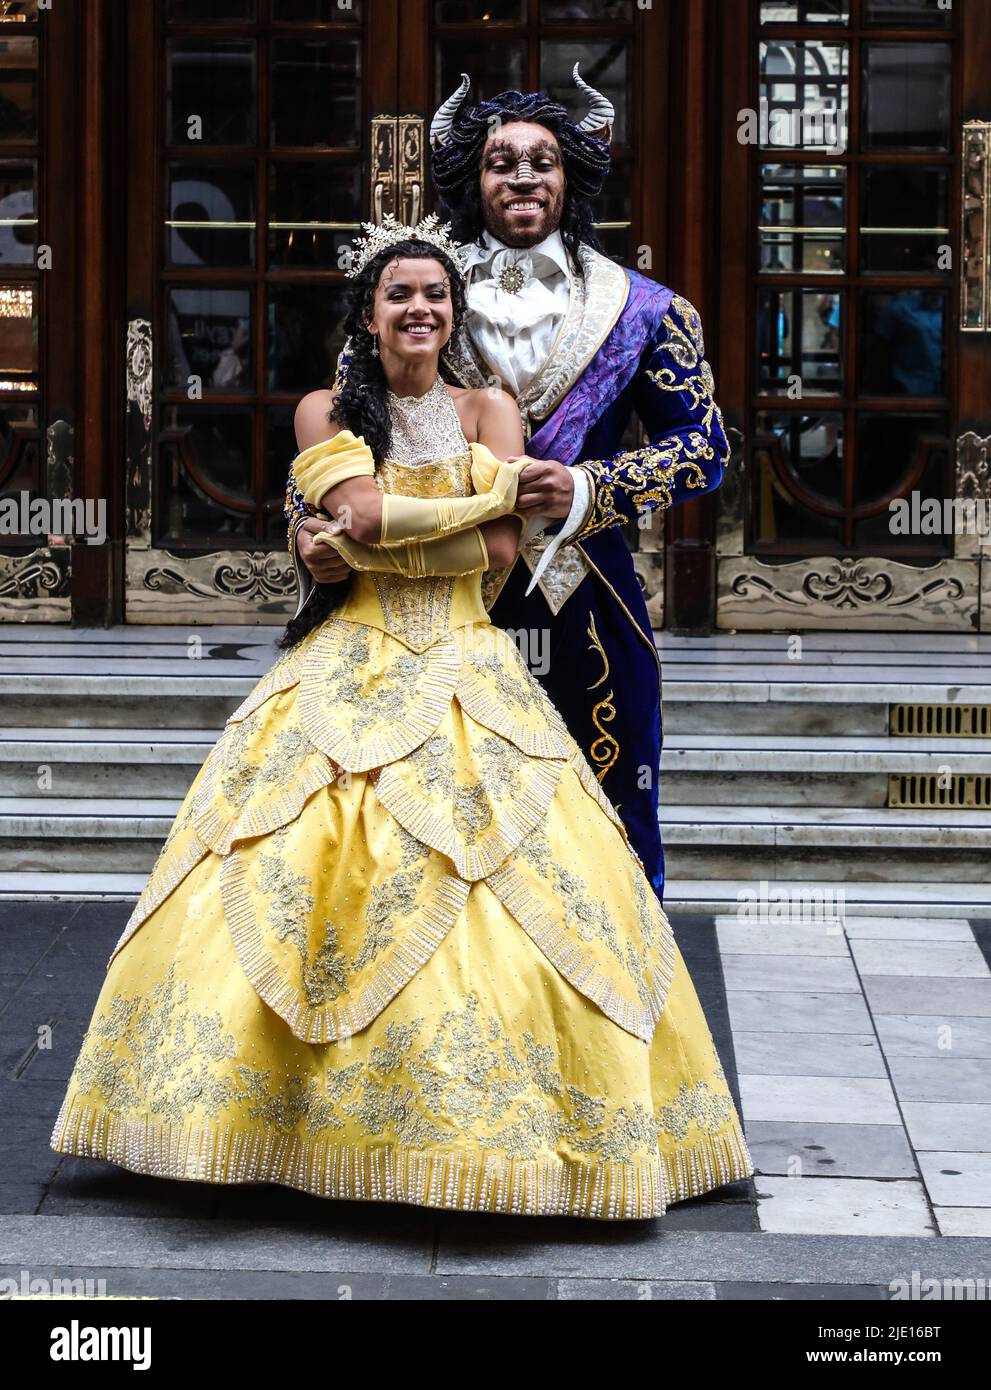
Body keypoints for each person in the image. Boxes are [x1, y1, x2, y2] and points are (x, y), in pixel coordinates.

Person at [51, 218, 753, 1220]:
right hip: (347, 664)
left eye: (434, 295)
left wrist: (365, 532)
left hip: (473, 667)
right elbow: (391, 520)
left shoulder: (491, 408)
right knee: (292, 875)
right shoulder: (323, 410)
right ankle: (261, 1129)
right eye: (398, 296)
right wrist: (371, 528)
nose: (418, 308)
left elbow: (501, 557)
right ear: (369, 316)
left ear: (452, 315)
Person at [285, 70, 731, 904]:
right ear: (472, 178)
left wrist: (590, 486)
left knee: (597, 817)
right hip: (416, 599)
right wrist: (307, 542)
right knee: (416, 826)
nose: (522, 176)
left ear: (572, 177)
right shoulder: (410, 296)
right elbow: (332, 452)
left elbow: (703, 446)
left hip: (582, 593)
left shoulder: (646, 309)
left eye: (541, 161)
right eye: (500, 162)